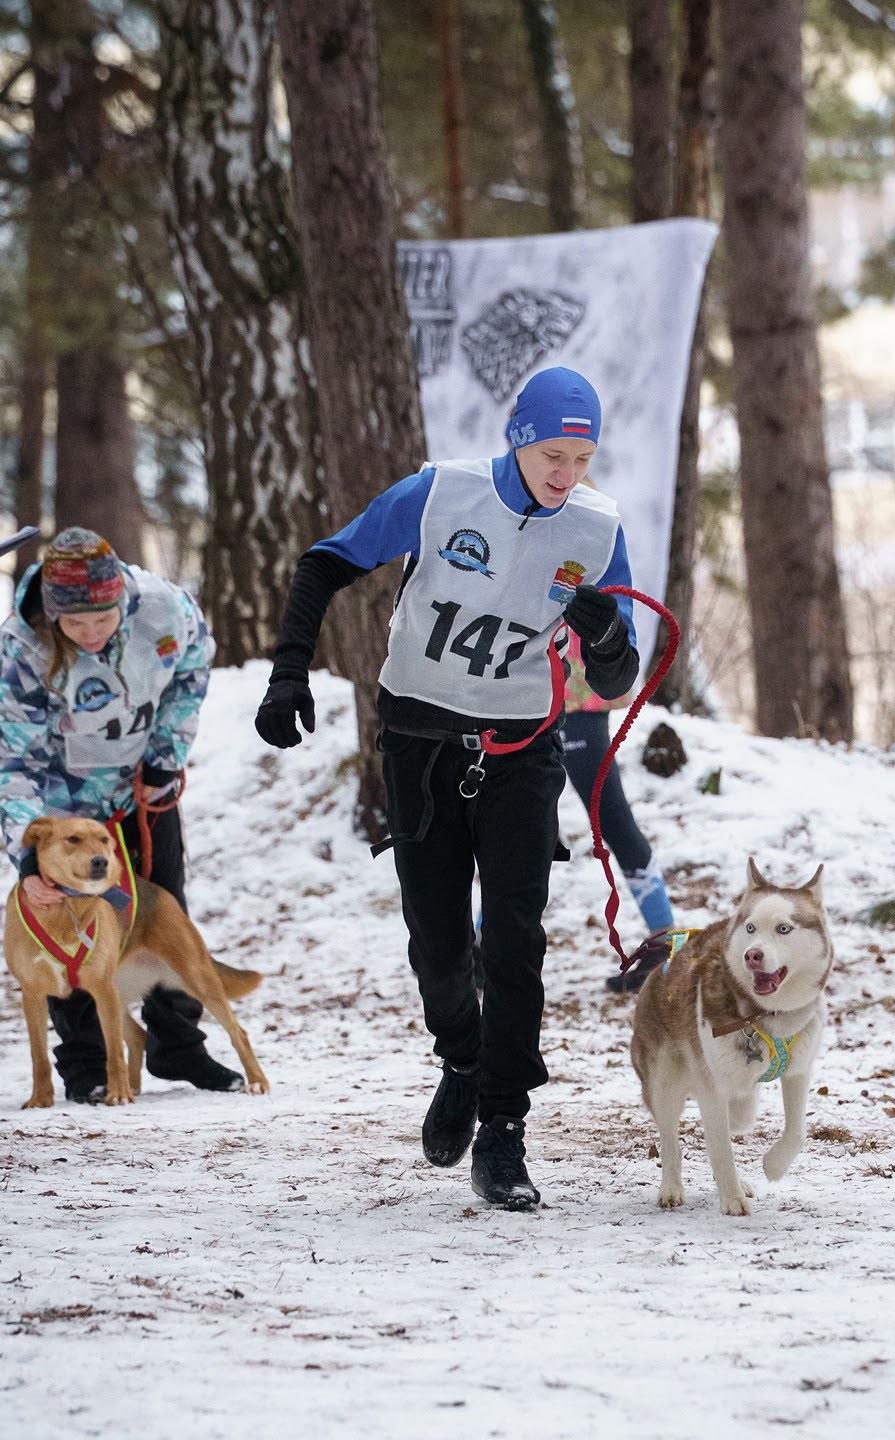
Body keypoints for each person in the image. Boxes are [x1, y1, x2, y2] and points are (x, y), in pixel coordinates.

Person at [255, 366, 640, 1211]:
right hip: (420, 740)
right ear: (516, 437)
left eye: (582, 457)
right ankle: (461, 1060)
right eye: (553, 453)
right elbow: (324, 562)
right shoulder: (439, 494)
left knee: (514, 939)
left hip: (520, 748)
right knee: (437, 940)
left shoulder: (597, 527)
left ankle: (504, 1127)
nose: (567, 473)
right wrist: (289, 675)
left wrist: (605, 629)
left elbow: (620, 668)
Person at [0, 526, 243, 1102]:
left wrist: (166, 758)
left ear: (123, 602)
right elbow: (14, 757)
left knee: (165, 908)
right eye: (75, 624)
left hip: (142, 787)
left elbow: (191, 674)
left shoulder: (166, 608)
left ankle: (178, 1048)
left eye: (102, 620)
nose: (89, 634)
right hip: (63, 799)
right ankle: (85, 1065)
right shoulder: (22, 646)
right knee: (70, 924)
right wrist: (28, 857)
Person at [561, 628, 675, 992]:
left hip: (576, 690)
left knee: (612, 819)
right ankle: (485, 946)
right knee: (517, 826)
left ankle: (666, 947)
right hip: (522, 687)